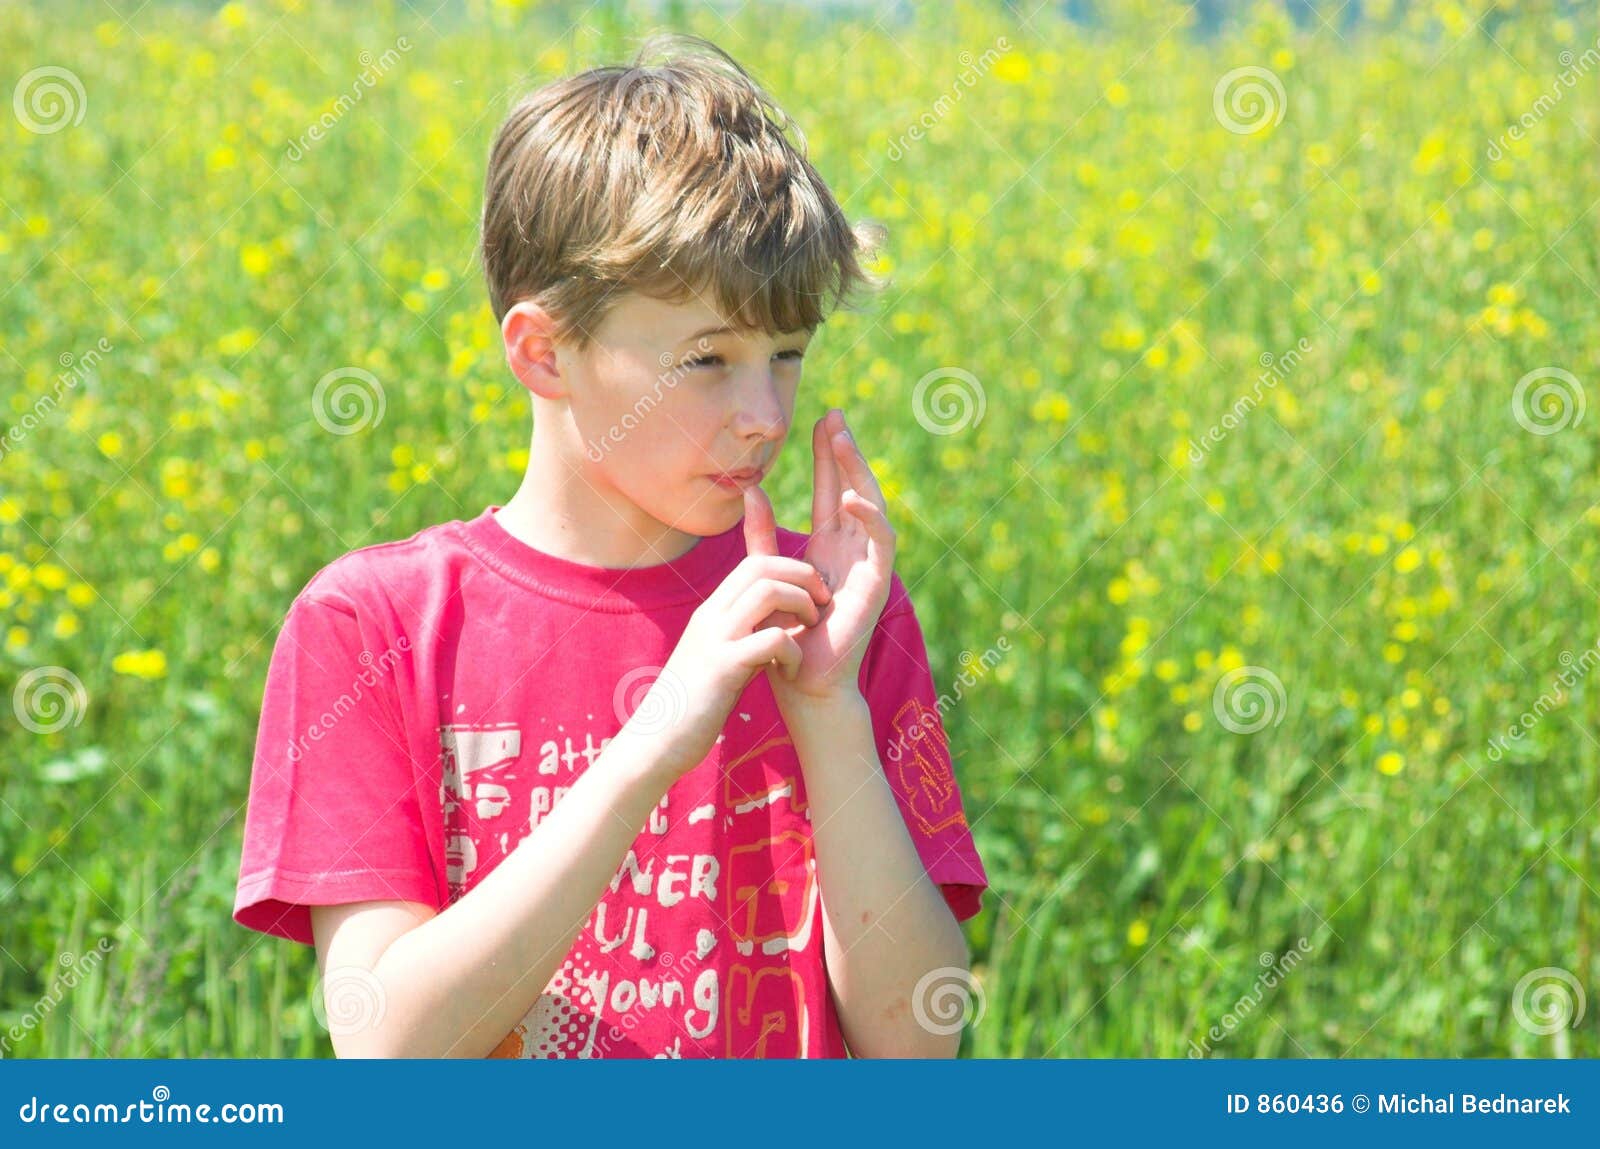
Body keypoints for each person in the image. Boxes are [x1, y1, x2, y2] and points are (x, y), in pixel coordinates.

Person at [232, 30, 988, 1059]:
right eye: (707, 359)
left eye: (787, 354)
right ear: (545, 352)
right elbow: (390, 1053)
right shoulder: (375, 626)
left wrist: (828, 712)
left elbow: (920, 1047)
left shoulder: (827, 611)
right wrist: (656, 739)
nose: (764, 413)